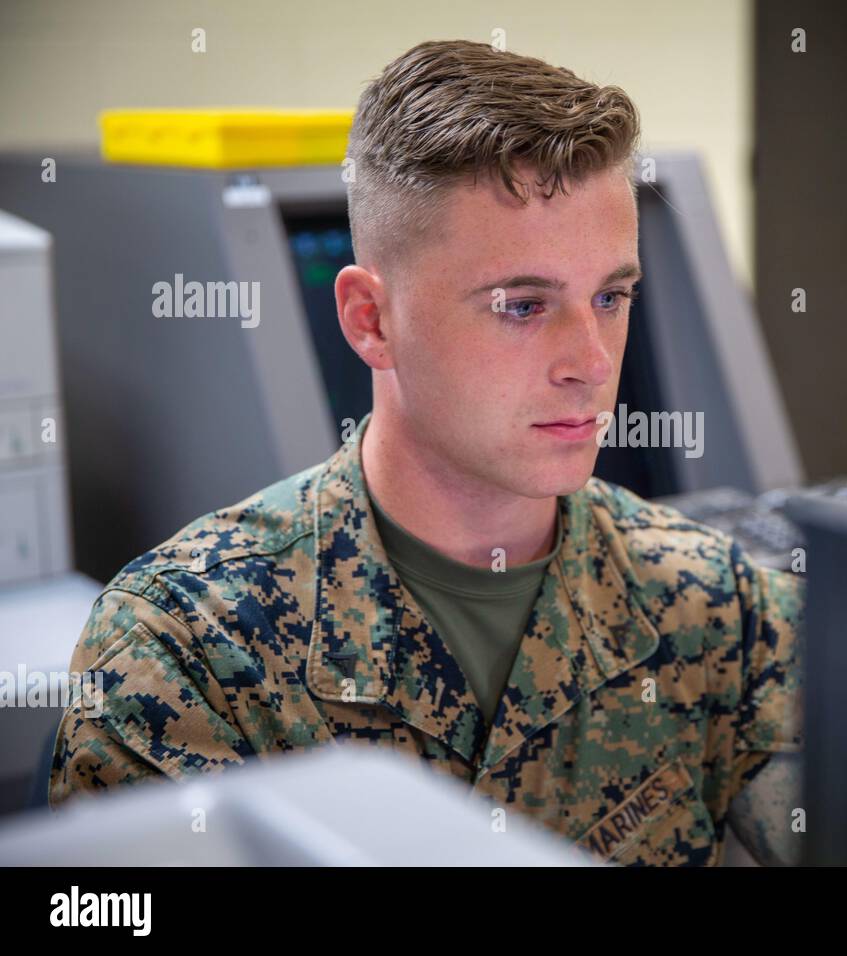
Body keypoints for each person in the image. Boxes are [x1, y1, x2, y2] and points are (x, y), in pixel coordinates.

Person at [49, 39, 803, 866]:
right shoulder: (186, 651)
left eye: (611, 297)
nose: (591, 363)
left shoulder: (707, 603)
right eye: (522, 305)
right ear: (371, 320)